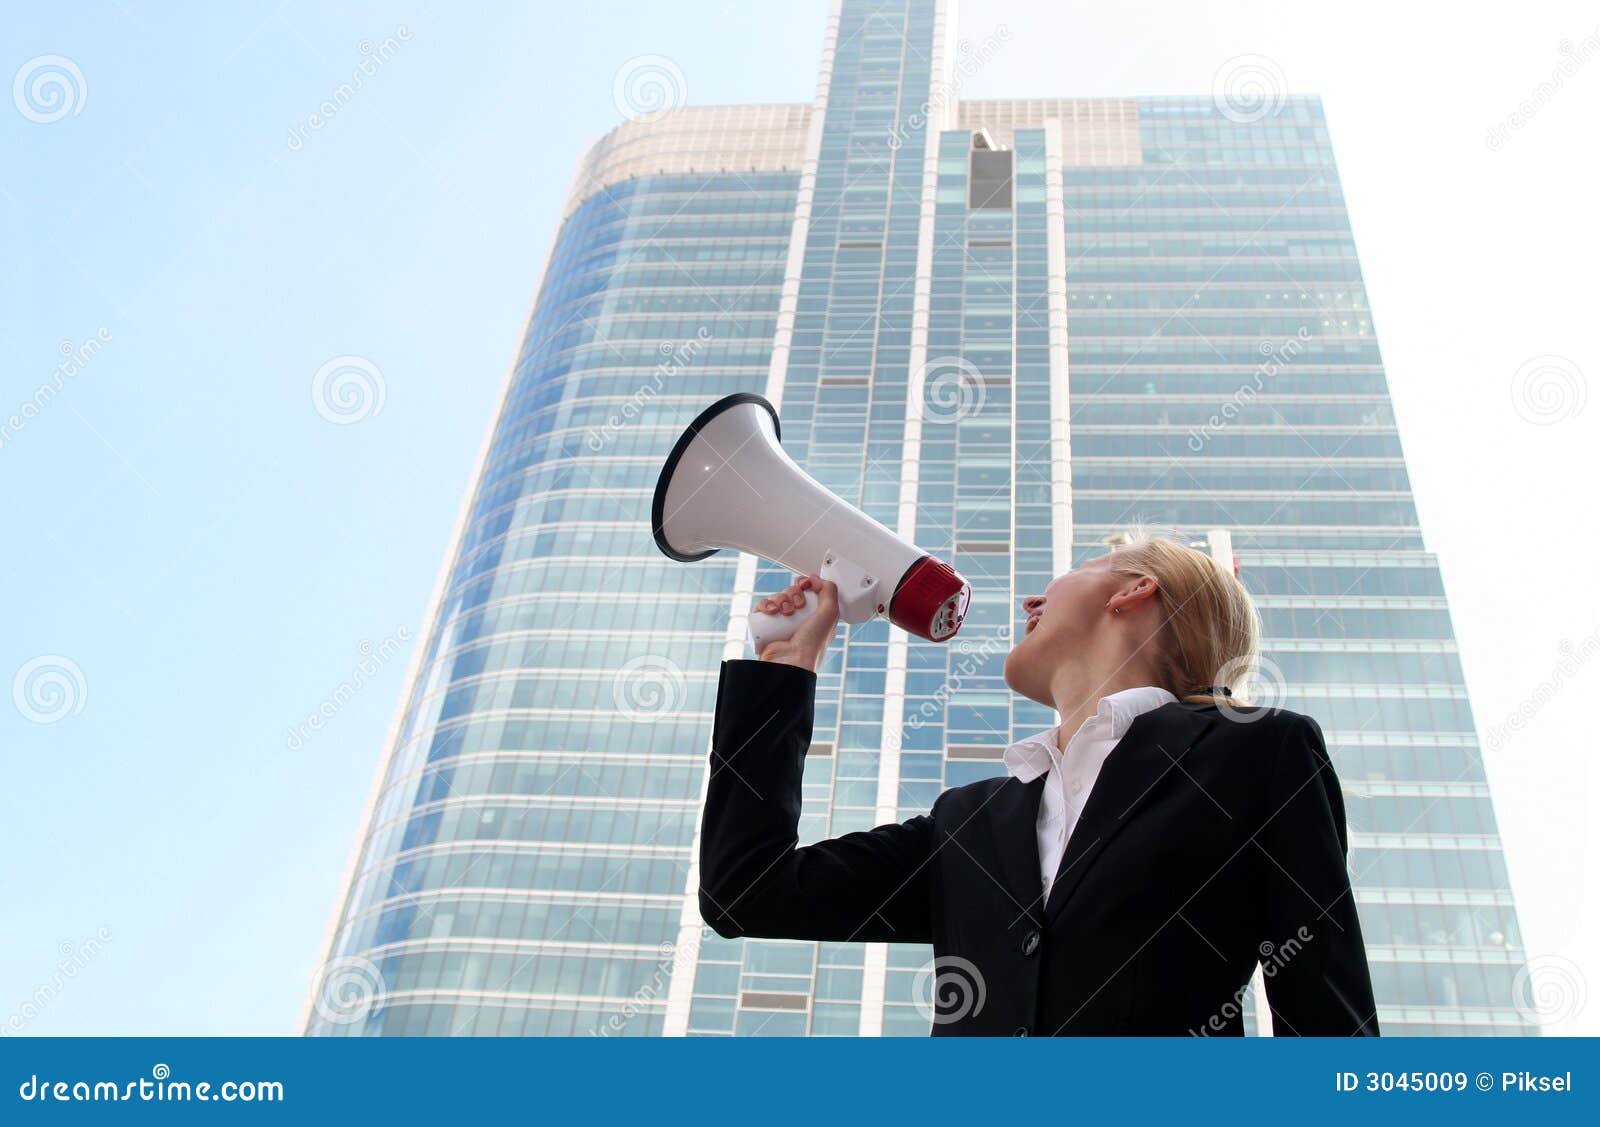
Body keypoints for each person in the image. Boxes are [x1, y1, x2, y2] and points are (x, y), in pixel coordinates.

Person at [696, 533, 1379, 1036]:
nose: (1031, 599)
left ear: (1134, 590)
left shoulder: (1258, 751)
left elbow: (1328, 1026)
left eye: (1080, 569)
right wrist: (786, 666)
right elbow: (747, 893)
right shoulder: (968, 819)